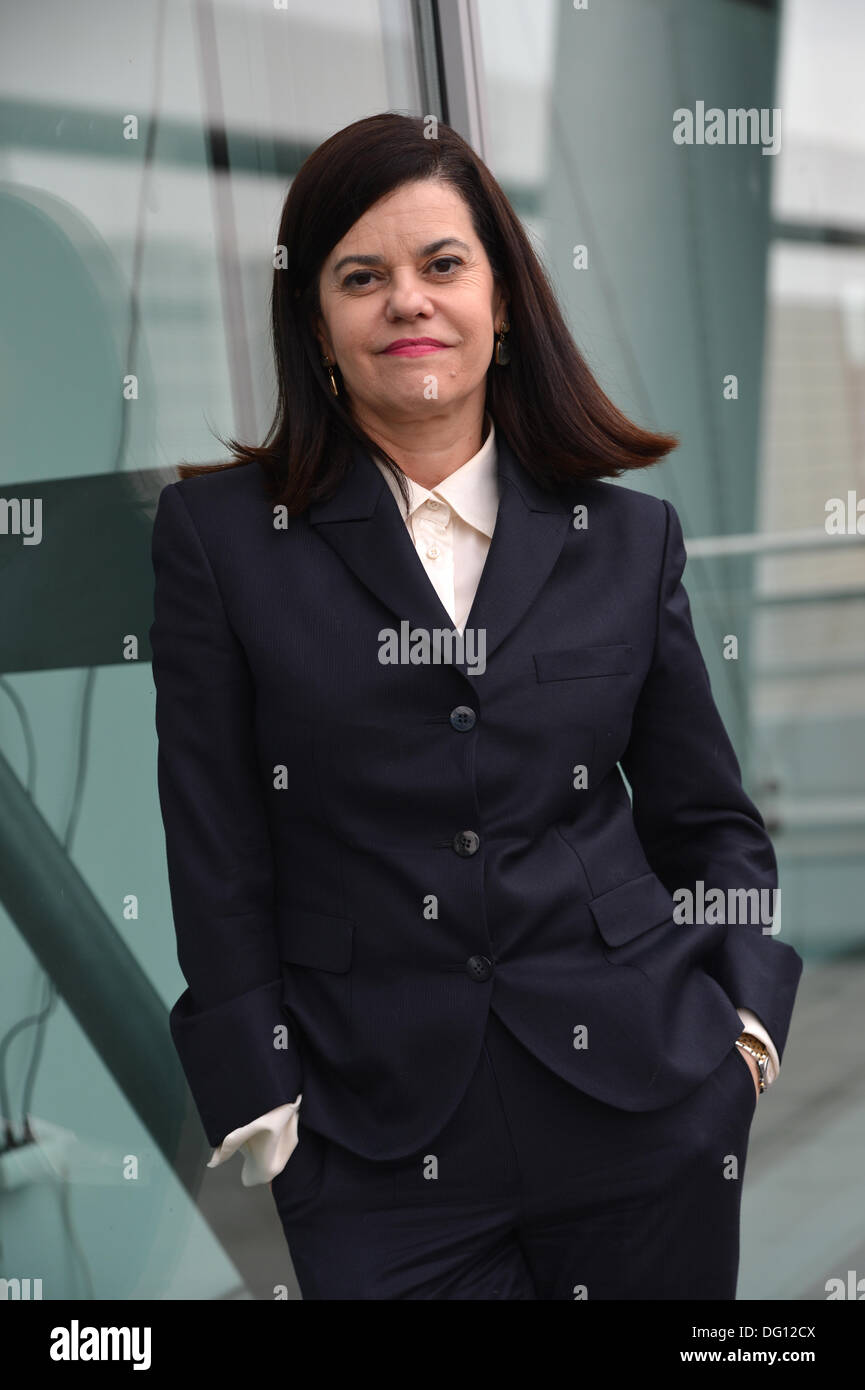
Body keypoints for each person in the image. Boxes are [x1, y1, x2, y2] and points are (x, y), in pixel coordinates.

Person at [150, 113, 803, 1300]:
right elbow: (214, 843)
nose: (407, 301)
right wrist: (261, 1090)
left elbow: (707, 819)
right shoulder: (221, 542)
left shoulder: (628, 538)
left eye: (442, 265)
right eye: (362, 277)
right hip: (365, 1136)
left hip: (643, 1105)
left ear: (502, 305)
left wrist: (744, 1028)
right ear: (319, 325)